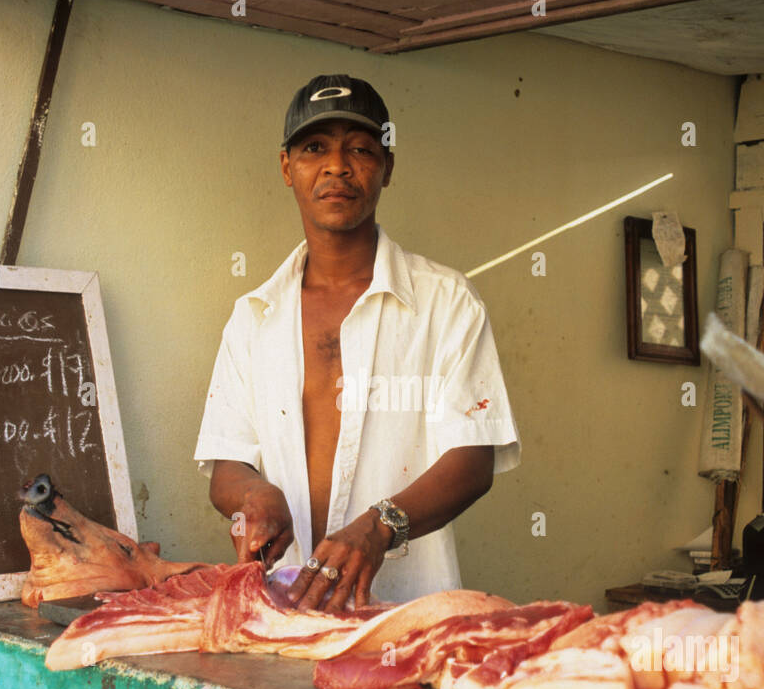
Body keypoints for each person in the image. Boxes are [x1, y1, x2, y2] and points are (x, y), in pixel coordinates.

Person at [194, 74, 520, 610]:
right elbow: (227, 461)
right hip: (283, 606)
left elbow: (473, 457)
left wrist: (379, 526)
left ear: (386, 168)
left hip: (405, 613)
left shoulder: (446, 301)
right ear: (286, 168)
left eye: (361, 149)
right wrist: (253, 496)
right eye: (315, 147)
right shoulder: (253, 316)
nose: (337, 166)